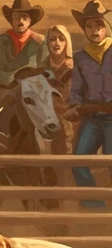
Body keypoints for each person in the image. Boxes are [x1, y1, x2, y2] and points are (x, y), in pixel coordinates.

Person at [66, 0, 112, 209]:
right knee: (78, 162)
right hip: (92, 118)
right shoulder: (82, 57)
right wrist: (75, 105)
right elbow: (76, 88)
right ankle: (95, 208)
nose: (95, 30)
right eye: (90, 26)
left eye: (99, 25)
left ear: (107, 27)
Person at [0, 0, 48, 92]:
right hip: (7, 89)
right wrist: (20, 78)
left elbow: (45, 73)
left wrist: (43, 44)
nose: (20, 21)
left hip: (33, 90)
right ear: (11, 20)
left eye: (24, 17)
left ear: (30, 20)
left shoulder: (39, 41)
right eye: (16, 17)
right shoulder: (3, 40)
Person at [43, 24, 75, 158]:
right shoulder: (42, 67)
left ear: (67, 42)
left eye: (61, 39)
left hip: (69, 117)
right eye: (53, 39)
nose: (56, 43)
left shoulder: (75, 66)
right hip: (48, 116)